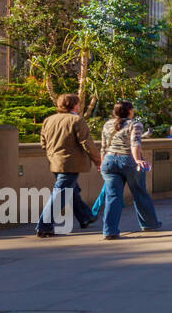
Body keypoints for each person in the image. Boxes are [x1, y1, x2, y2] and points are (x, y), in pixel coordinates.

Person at [36, 93, 101, 237]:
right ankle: (44, 226)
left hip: (54, 162)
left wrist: (52, 155)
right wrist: (98, 160)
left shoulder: (48, 120)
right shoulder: (76, 120)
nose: (79, 106)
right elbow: (87, 143)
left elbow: (43, 142)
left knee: (71, 190)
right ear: (73, 105)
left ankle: (85, 216)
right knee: (61, 193)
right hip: (70, 163)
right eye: (77, 103)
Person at [99, 100, 162, 239]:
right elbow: (135, 143)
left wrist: (102, 163)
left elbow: (103, 147)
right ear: (130, 111)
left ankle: (109, 231)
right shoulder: (134, 124)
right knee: (139, 192)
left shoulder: (107, 124)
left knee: (112, 197)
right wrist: (138, 159)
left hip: (109, 161)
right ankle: (149, 224)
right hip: (127, 160)